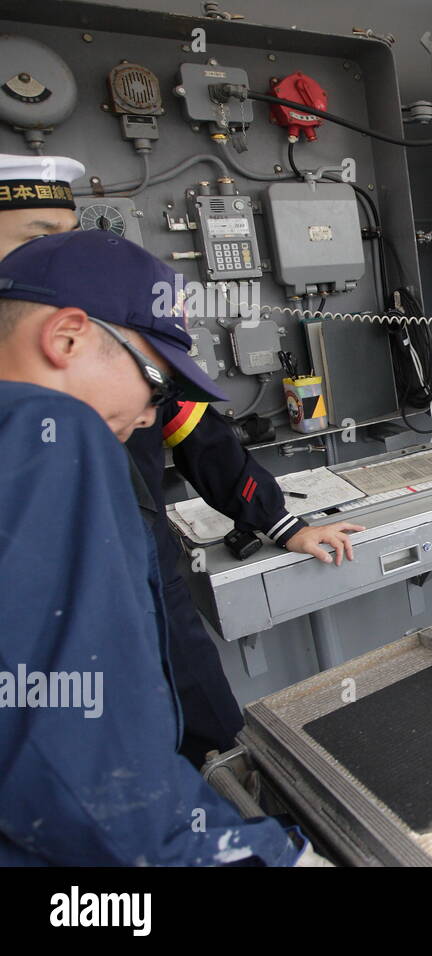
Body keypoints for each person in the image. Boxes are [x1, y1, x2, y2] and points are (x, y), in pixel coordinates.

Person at [0, 152, 363, 768]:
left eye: (71, 234)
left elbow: (202, 437)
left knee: (210, 737)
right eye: (39, 239)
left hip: (145, 575)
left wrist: (285, 524)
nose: (64, 253)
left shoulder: (120, 363)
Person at [0, 230, 321, 864]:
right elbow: (86, 773)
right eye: (156, 381)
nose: (151, 414)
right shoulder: (55, 432)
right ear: (66, 337)